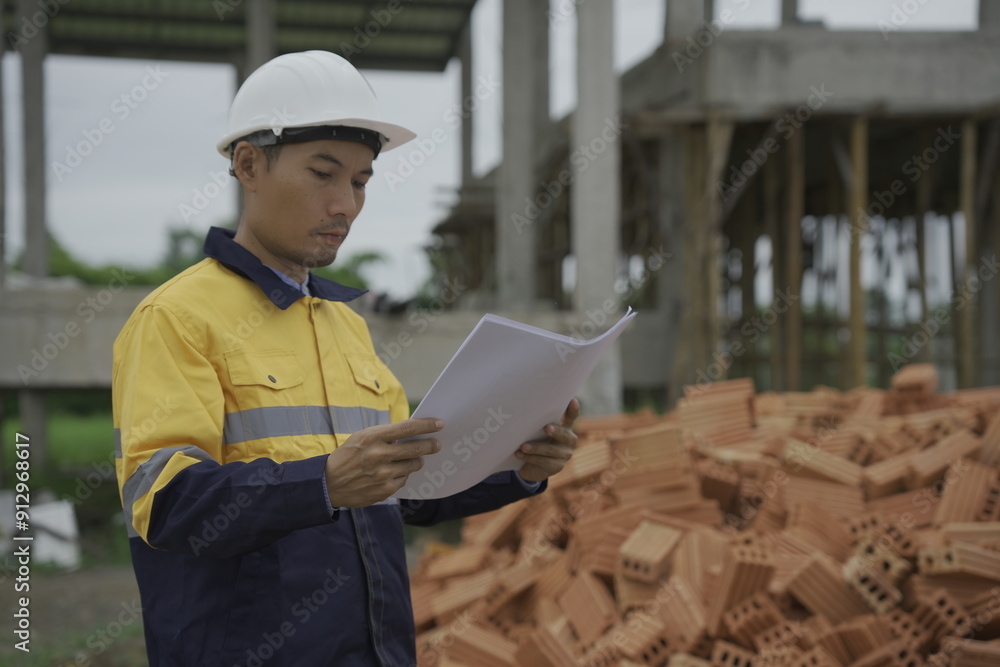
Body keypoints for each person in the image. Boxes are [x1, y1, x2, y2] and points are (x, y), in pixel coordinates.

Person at [112, 50, 578, 666]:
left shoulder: (343, 326)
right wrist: (322, 483)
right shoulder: (176, 319)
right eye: (322, 174)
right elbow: (167, 504)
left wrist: (519, 463)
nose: (346, 205)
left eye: (359, 182)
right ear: (248, 165)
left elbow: (405, 488)